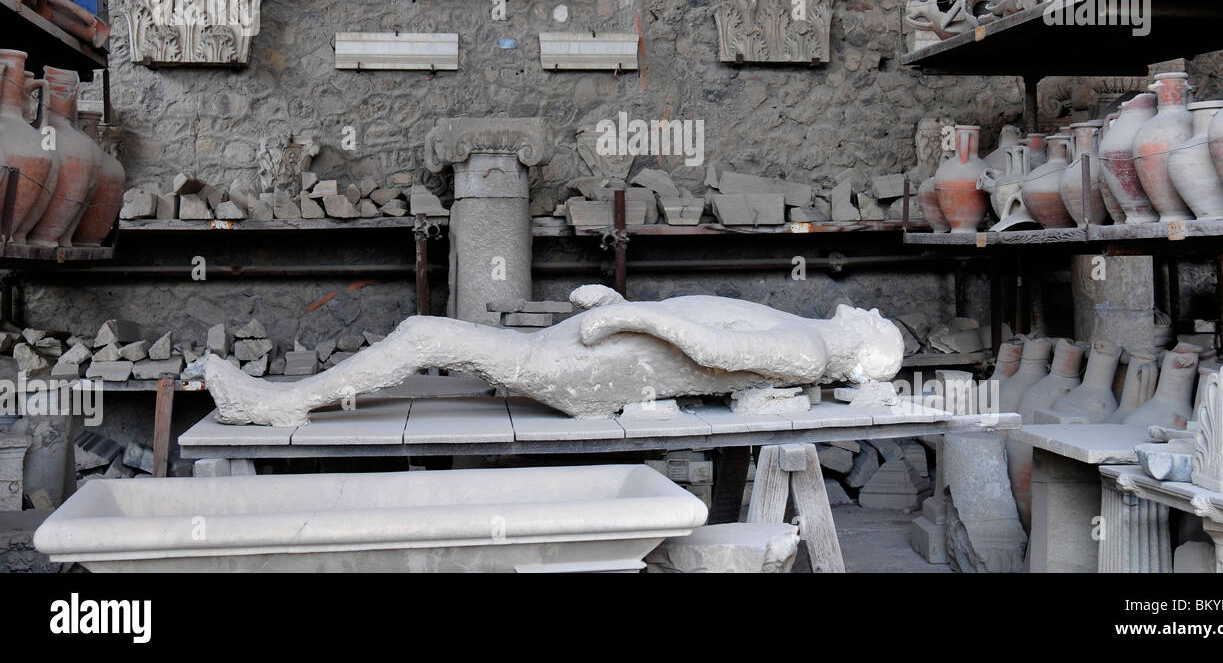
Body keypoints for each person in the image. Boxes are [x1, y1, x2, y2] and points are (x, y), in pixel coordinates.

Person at [203, 284, 904, 424]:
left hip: (587, 370)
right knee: (430, 334)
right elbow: (716, 348)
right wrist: (621, 307)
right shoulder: (800, 337)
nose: (870, 309)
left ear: (866, 352)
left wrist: (630, 314)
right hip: (594, 348)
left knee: (425, 334)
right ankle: (278, 400)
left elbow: (714, 349)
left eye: (880, 325)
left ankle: (274, 403)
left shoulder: (808, 352)